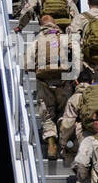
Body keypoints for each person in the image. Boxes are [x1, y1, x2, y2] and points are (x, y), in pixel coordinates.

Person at [24, 14, 75, 160]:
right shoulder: (64, 38)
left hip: (44, 82)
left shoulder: (37, 40)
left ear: (41, 25)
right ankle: (65, 144)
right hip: (63, 82)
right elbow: (77, 56)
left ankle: (51, 144)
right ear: (55, 24)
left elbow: (27, 64)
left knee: (47, 115)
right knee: (65, 113)